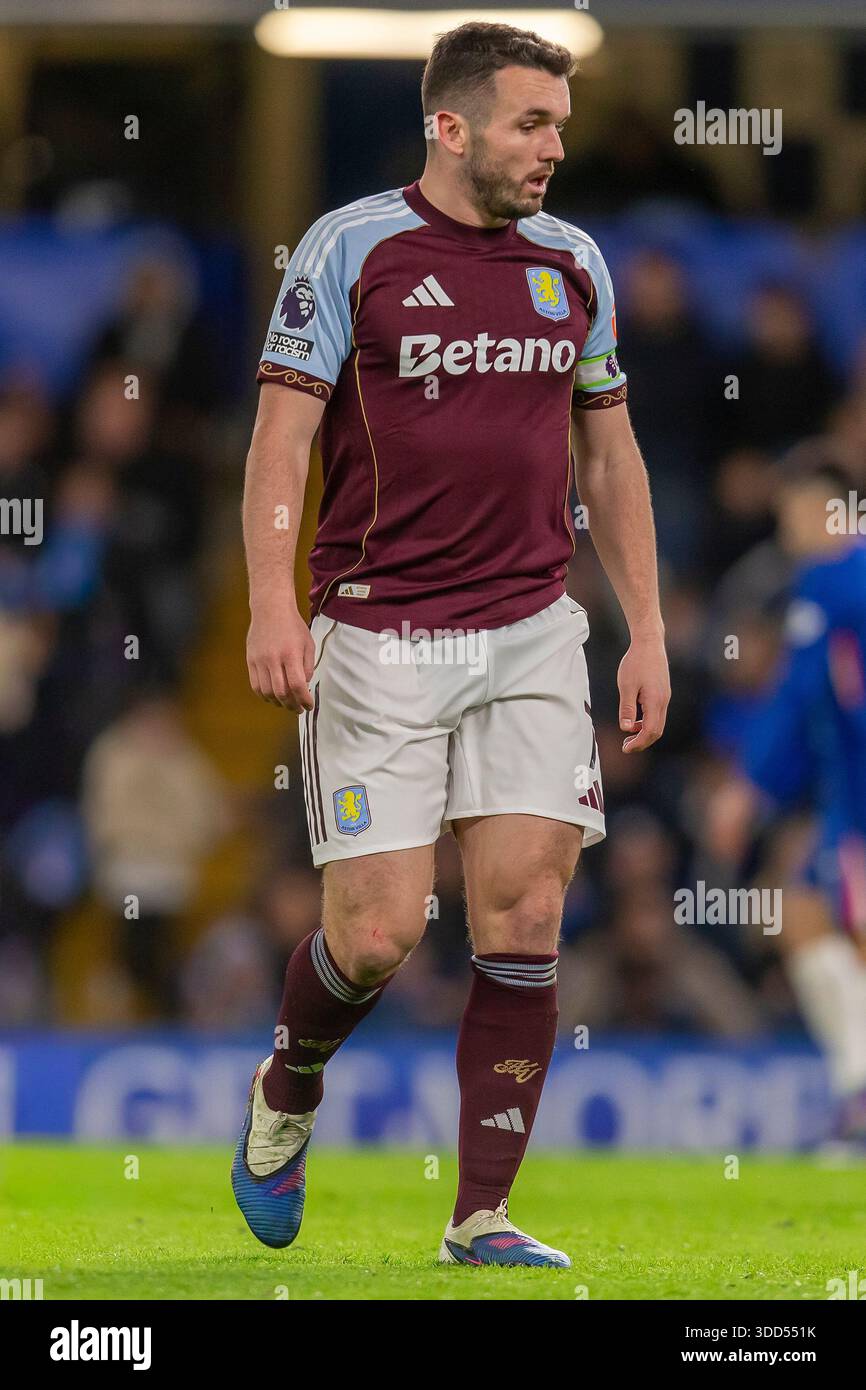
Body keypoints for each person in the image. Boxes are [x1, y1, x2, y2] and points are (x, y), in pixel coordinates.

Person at [233, 20, 669, 1266]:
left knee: (525, 913)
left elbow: (610, 450)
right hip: (375, 631)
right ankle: (288, 1083)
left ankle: (478, 1216)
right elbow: (279, 442)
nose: (553, 149)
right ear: (451, 125)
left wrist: (644, 628)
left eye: (560, 127)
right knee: (375, 935)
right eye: (531, 124)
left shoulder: (572, 262)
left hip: (532, 624)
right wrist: (271, 598)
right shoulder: (349, 248)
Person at [714, 448, 866, 1157]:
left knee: (815, 922)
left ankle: (859, 1098)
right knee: (803, 915)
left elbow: (798, 693)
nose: (791, 531)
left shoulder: (835, 579)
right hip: (846, 802)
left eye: (799, 514)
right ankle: (855, 1094)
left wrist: (747, 787)